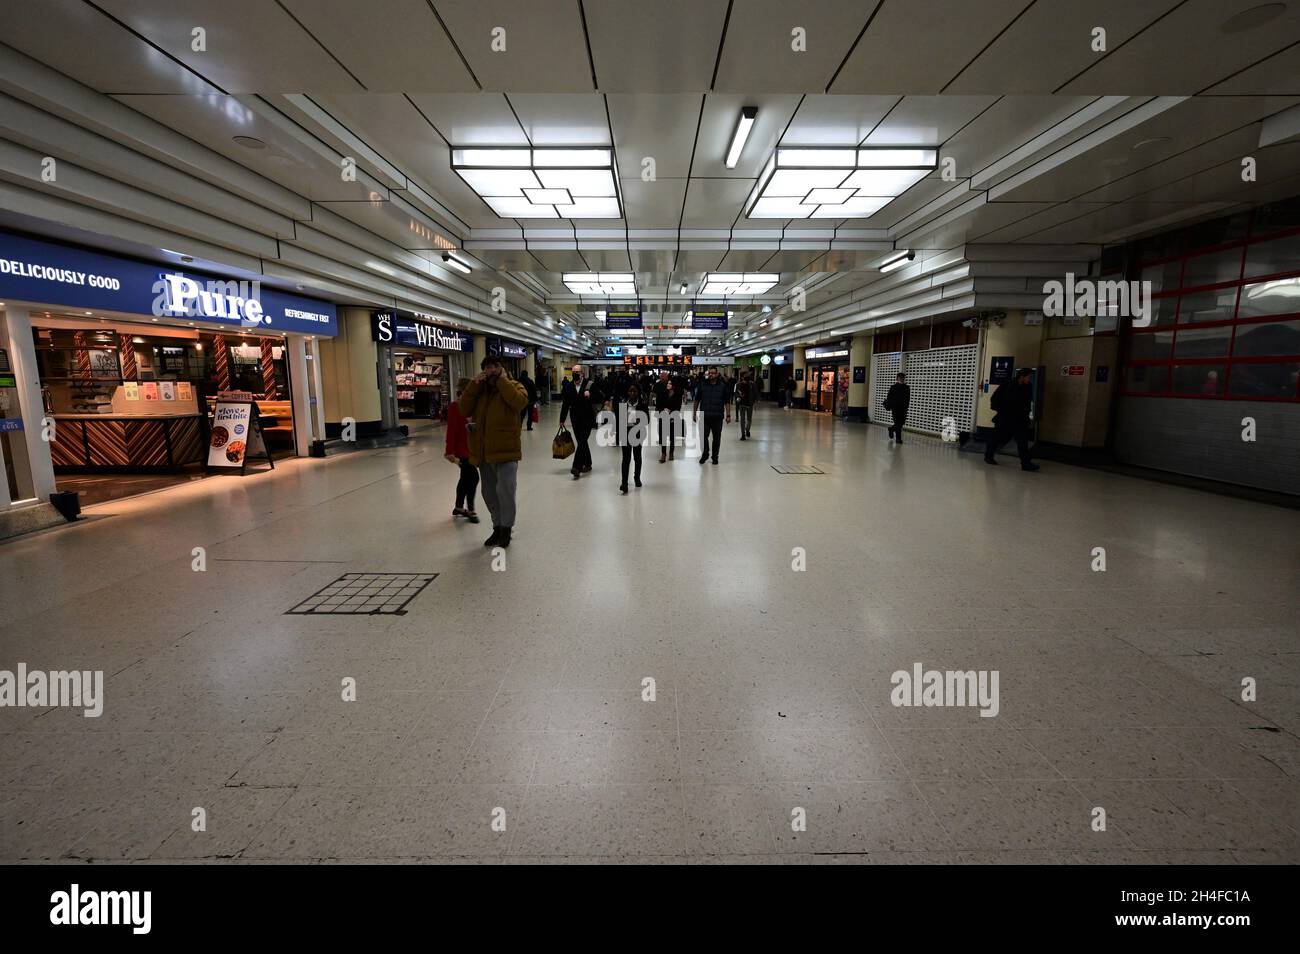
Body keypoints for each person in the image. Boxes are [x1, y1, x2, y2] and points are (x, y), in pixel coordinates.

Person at [458, 356, 529, 547]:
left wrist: (503, 381)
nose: (490, 371)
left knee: (505, 490)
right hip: (484, 451)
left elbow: (519, 402)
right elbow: (463, 409)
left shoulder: (514, 386)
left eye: (494, 367)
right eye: (487, 368)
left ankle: (506, 528)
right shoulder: (479, 391)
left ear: (501, 369)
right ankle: (497, 527)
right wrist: (474, 385)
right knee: (489, 493)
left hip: (507, 450)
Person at [984, 367, 1040, 472]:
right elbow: (994, 398)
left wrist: (1027, 415)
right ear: (1022, 377)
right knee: (996, 438)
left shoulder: (1028, 387)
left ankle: (1026, 463)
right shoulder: (1007, 385)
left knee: (1023, 441)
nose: (1029, 379)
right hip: (1005, 418)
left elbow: (1028, 403)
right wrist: (1001, 410)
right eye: (1028, 377)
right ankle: (988, 456)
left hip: (1020, 419)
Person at [444, 378, 480, 524]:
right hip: (461, 450)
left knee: (465, 478)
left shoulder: (474, 406)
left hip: (471, 448)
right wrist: (449, 451)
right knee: (473, 478)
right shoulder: (455, 406)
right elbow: (451, 430)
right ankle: (470, 509)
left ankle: (459, 507)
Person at [559, 362, 603, 480]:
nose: (575, 374)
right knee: (581, 442)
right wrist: (562, 419)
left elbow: (600, 398)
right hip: (575, 419)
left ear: (582, 373)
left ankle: (576, 467)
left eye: (577, 372)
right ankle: (588, 463)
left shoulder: (589, 385)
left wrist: (591, 395)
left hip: (588, 418)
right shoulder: (568, 386)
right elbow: (565, 404)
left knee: (582, 440)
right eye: (573, 373)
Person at [693, 365, 731, 465]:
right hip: (705, 416)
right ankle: (705, 453)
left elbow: (727, 401)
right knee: (703, 436)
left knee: (716, 438)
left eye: (713, 373)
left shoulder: (723, 386)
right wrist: (694, 413)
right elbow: (697, 400)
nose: (711, 375)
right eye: (709, 373)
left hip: (717, 417)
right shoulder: (703, 385)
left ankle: (715, 456)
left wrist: (728, 415)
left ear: (717, 374)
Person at [617, 382, 648, 494]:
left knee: (637, 457)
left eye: (634, 391)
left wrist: (640, 420)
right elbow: (619, 421)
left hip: (637, 433)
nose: (632, 393)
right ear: (628, 392)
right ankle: (624, 483)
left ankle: (637, 478)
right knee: (626, 459)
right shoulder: (623, 404)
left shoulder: (642, 405)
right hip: (625, 433)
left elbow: (647, 420)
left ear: (638, 393)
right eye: (630, 391)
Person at [654, 370, 682, 463]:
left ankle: (671, 452)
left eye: (670, 383)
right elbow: (659, 404)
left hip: (673, 416)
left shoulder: (677, 394)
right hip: (663, 415)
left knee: (672, 435)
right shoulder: (663, 393)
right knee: (663, 434)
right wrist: (663, 409)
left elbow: (678, 406)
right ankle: (663, 453)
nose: (668, 384)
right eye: (668, 383)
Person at [884, 372, 910, 444]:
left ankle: (891, 429)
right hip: (895, 408)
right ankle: (898, 439)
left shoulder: (907, 388)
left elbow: (908, 398)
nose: (902, 379)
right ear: (897, 378)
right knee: (898, 423)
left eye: (903, 378)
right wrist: (891, 405)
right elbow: (889, 397)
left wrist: (906, 407)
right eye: (900, 378)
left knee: (901, 423)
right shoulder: (893, 387)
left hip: (903, 408)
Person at [736, 371, 758, 440]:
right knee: (742, 420)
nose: (747, 377)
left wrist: (755, 401)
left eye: (748, 375)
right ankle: (743, 434)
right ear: (742, 377)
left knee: (749, 419)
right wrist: (738, 397)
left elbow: (755, 393)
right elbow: (736, 393)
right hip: (742, 404)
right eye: (745, 375)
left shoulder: (752, 384)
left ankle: (747, 429)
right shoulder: (738, 384)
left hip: (750, 404)